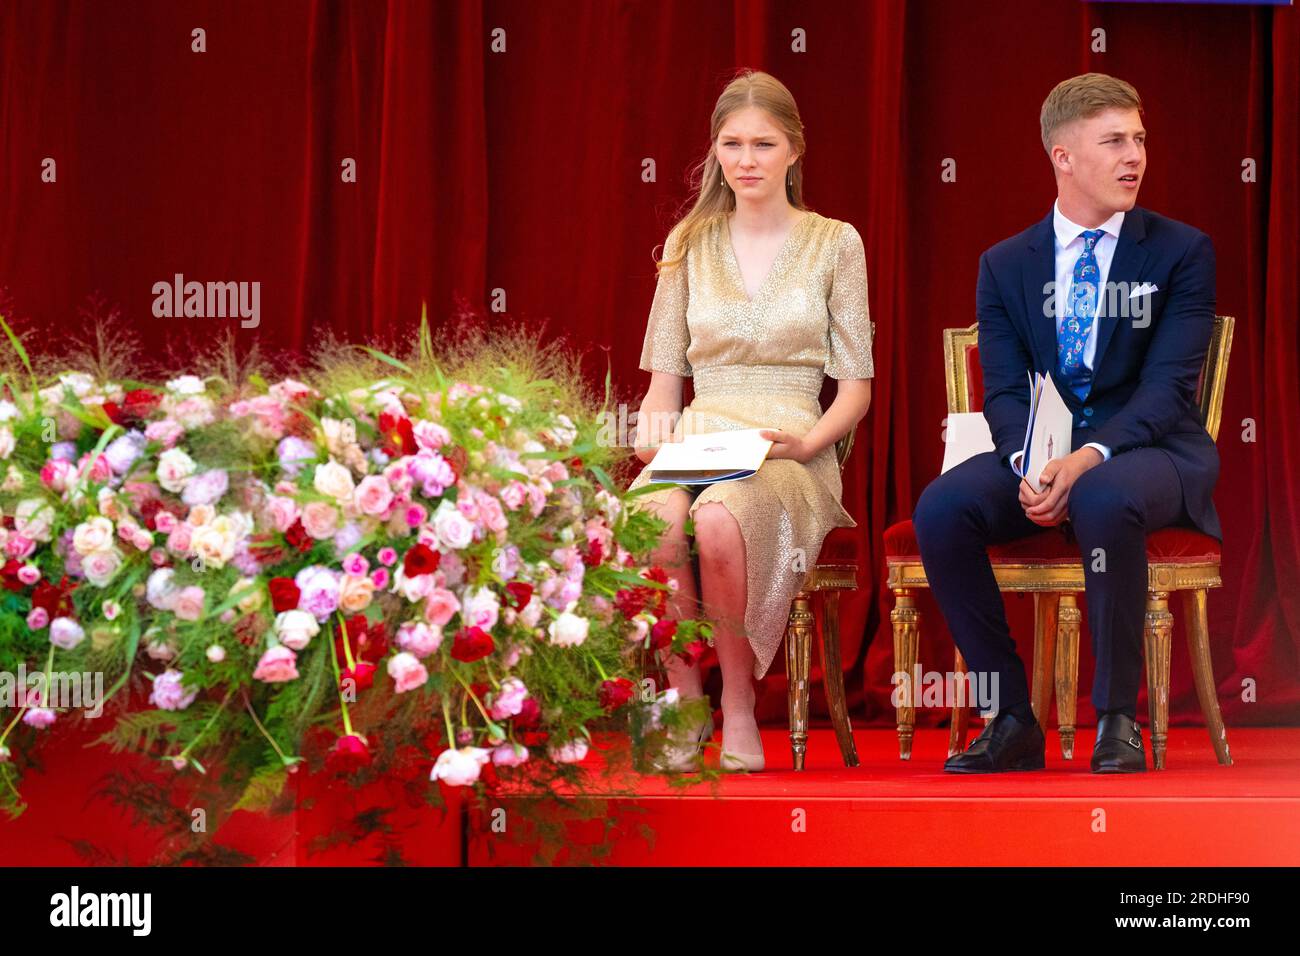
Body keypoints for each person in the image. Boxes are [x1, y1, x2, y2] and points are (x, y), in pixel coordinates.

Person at [913, 73, 1220, 774]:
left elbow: (1168, 390)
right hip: (1046, 451)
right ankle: (1010, 718)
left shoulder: (1180, 251)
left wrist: (1087, 458)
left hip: (1152, 449)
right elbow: (1003, 392)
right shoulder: (1004, 265)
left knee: (1102, 494)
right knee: (942, 509)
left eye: (1139, 139)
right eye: (1114, 141)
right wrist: (1028, 465)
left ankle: (1116, 719)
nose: (1134, 156)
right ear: (1064, 156)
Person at [629, 69, 874, 772]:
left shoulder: (836, 243)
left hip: (790, 444)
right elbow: (662, 387)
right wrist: (651, 436)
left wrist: (809, 442)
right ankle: (684, 700)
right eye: (732, 144)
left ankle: (738, 702)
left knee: (718, 520)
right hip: (702, 435)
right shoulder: (688, 241)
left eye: (763, 144)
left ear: (794, 149)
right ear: (715, 150)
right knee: (652, 517)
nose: (746, 160)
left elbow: (855, 389)